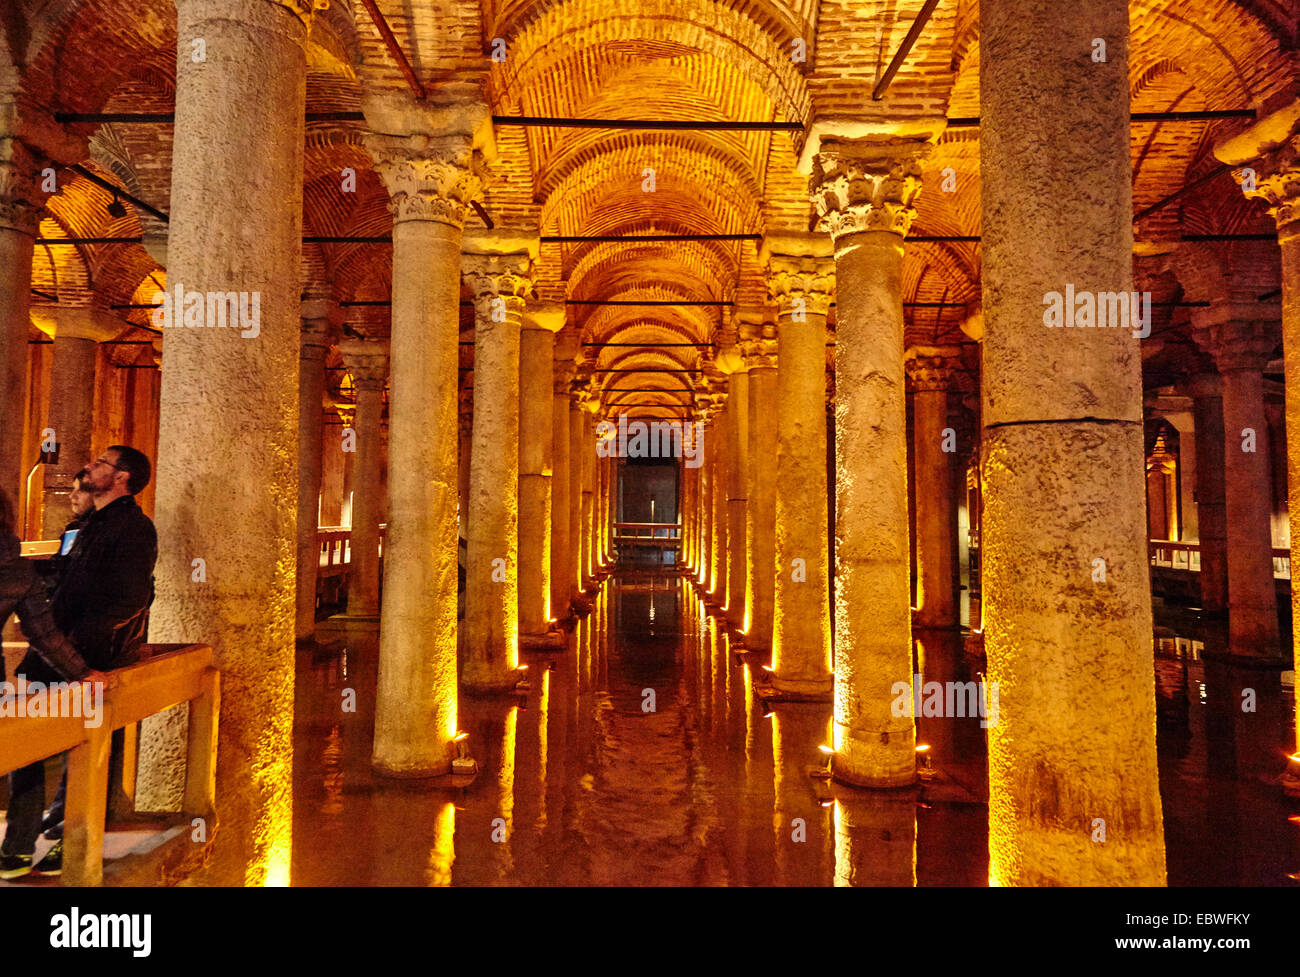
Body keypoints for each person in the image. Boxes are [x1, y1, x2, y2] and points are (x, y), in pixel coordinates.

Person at [1, 445, 156, 878]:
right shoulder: (84, 526)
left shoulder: (134, 530)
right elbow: (62, 579)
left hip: (88, 658)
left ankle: (61, 838)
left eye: (100, 464)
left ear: (122, 477)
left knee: (84, 753)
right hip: (54, 654)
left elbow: (125, 600)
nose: (88, 467)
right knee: (25, 744)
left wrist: (74, 653)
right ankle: (17, 842)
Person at [0, 487, 109, 880]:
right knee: (22, 750)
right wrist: (82, 673)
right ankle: (15, 854)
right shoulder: (17, 568)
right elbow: (44, 634)